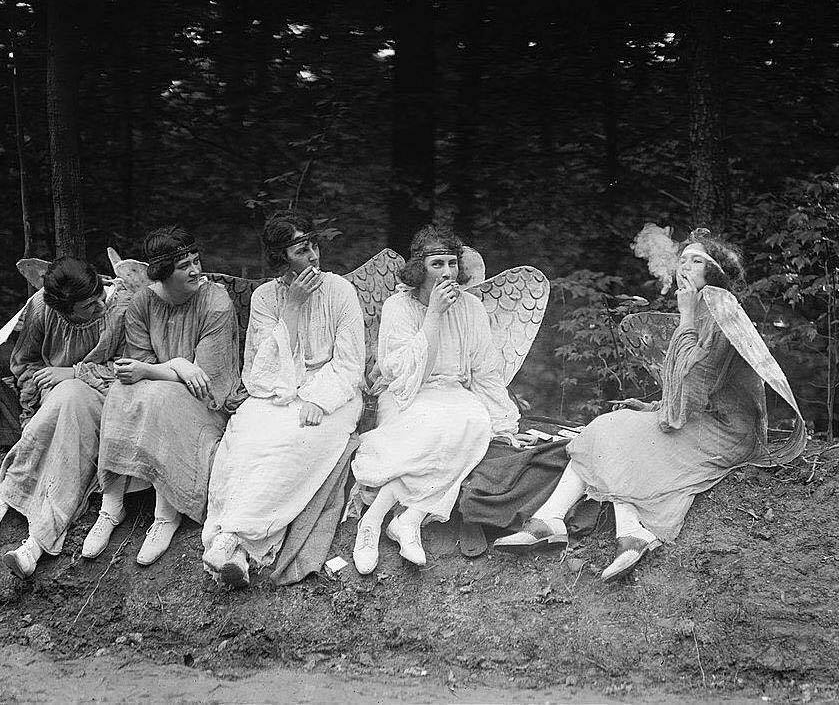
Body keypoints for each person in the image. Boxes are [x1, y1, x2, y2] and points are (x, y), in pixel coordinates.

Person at [494, 229, 806, 580]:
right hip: (705, 419)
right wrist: (652, 407)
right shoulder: (704, 306)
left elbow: (695, 382)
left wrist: (685, 318)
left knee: (619, 433)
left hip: (728, 432)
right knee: (615, 426)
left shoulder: (719, 308)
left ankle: (616, 530)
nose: (684, 266)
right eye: (683, 259)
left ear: (715, 272)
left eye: (696, 260)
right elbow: (687, 390)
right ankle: (565, 521)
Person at [200, 211, 365, 587]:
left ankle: (236, 540)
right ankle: (236, 548)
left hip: (333, 393)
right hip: (276, 390)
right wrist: (291, 306)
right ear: (280, 259)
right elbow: (261, 372)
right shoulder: (264, 297)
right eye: (301, 249)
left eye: (313, 245)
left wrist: (320, 400)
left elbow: (351, 363)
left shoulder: (340, 291)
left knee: (295, 443)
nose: (313, 255)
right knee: (246, 437)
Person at [350, 225, 521, 574]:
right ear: (419, 269)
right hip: (405, 394)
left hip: (453, 395)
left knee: (474, 422)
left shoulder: (472, 308)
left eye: (452, 263)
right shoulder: (399, 306)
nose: (447, 272)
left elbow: (485, 370)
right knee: (429, 429)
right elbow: (397, 372)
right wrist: (434, 315)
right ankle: (371, 523)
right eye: (437, 264)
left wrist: (503, 418)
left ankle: (407, 519)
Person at [81, 226, 240, 566]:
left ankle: (166, 515)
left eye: (196, 261)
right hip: (161, 391)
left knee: (162, 394)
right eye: (185, 267)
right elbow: (141, 364)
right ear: (164, 274)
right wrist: (175, 367)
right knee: (121, 391)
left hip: (206, 403)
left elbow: (206, 379)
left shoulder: (216, 302)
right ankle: (112, 507)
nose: (197, 271)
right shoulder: (142, 303)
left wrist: (175, 367)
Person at [0, 258, 130, 578]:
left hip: (108, 401)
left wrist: (74, 372)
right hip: (55, 402)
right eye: (89, 305)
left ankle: (36, 540)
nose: (100, 304)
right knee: (64, 399)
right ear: (64, 310)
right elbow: (24, 366)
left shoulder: (122, 306)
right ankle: (25, 521)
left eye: (100, 294)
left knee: (71, 394)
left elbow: (133, 368)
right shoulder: (42, 309)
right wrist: (33, 403)